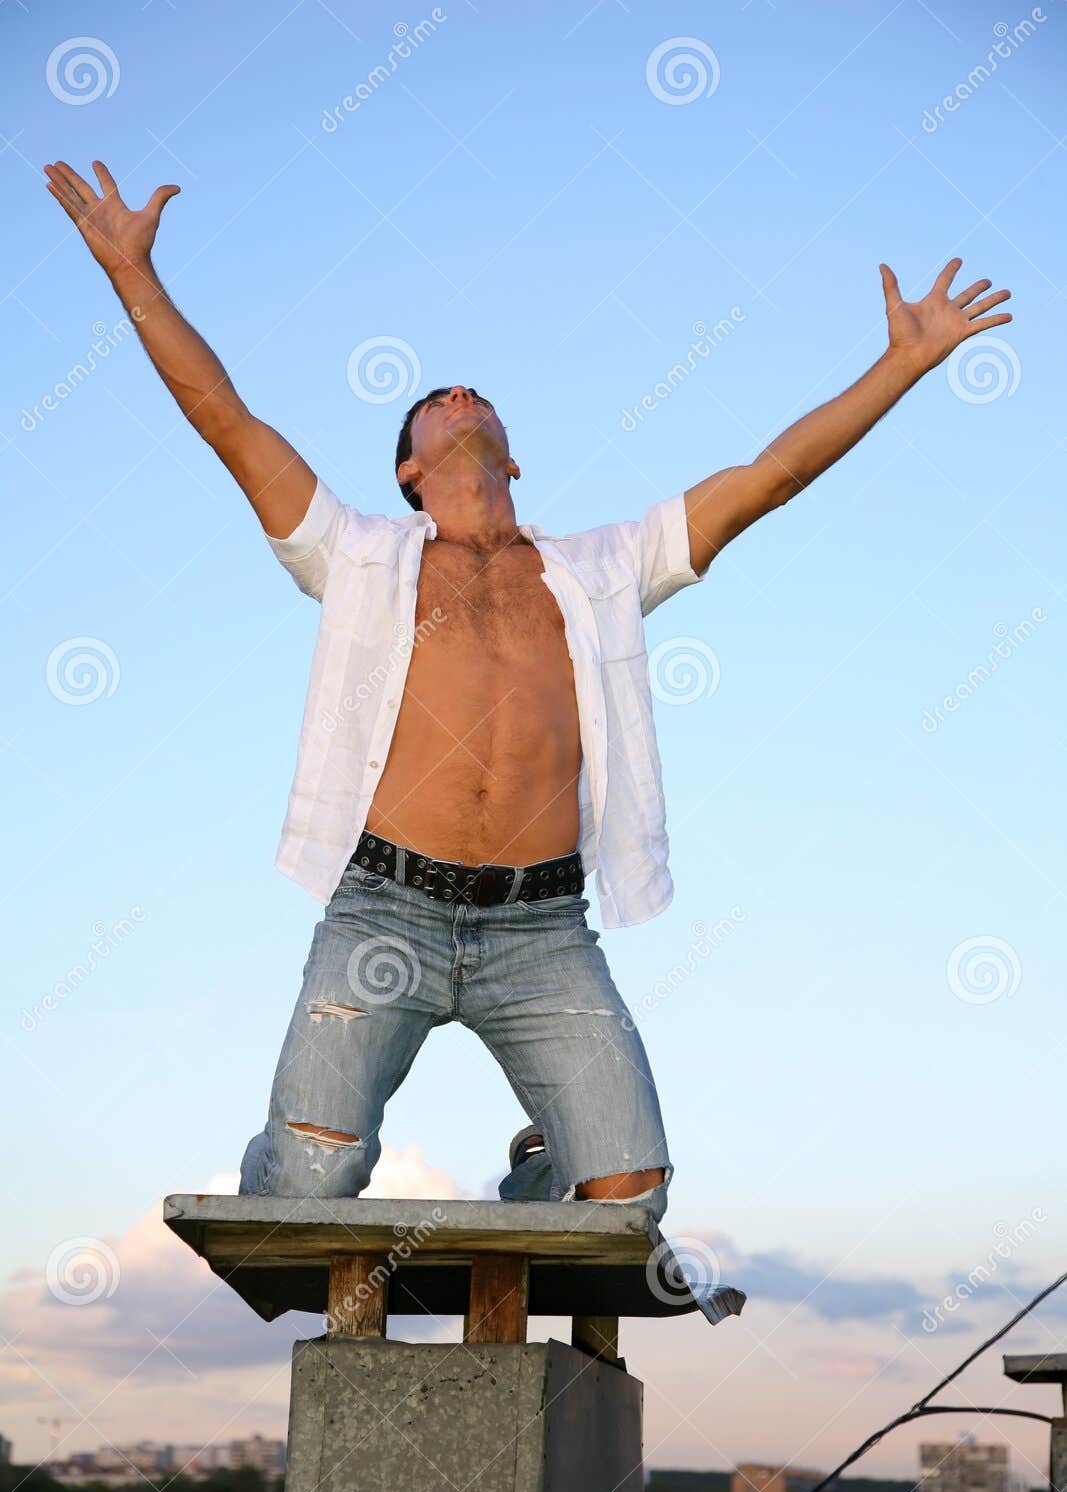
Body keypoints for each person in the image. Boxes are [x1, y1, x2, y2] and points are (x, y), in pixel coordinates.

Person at [45, 158, 1012, 1220]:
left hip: (540, 927)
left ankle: (542, 1158)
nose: (457, 397)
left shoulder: (602, 568)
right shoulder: (354, 553)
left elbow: (765, 478)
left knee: (625, 1195)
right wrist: (132, 275)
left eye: (475, 395)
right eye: (432, 403)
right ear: (408, 470)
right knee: (312, 1186)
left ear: (514, 457)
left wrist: (900, 364)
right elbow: (223, 415)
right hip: (383, 909)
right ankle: (285, 1142)